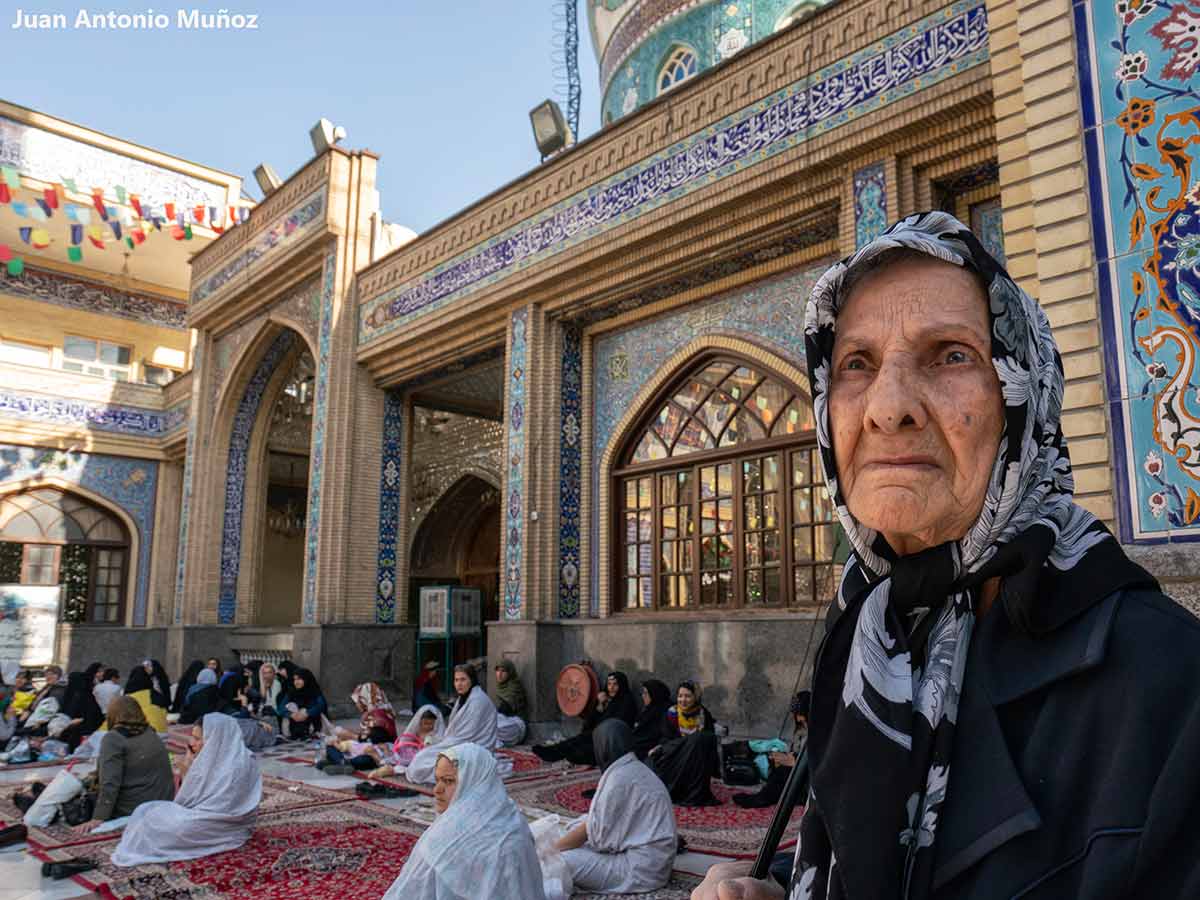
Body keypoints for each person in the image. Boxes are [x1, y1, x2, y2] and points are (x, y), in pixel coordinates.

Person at [691, 212, 1200, 900]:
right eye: (856, 365)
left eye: (951, 355)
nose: (888, 407)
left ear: (1023, 399)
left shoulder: (1168, 687)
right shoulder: (869, 629)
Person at [381, 742, 546, 900]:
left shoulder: (443, 841)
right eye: (437, 780)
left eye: (448, 781)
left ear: (475, 783)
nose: (436, 790)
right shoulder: (513, 820)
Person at [110, 712, 261, 866]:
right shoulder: (211, 756)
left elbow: (227, 808)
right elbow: (188, 799)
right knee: (144, 810)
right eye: (192, 736)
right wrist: (189, 765)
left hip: (225, 825)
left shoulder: (242, 763)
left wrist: (188, 770)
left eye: (197, 738)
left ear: (216, 739)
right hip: (201, 815)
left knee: (173, 826)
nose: (192, 742)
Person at [556, 720, 676, 893]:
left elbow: (598, 838)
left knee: (560, 861)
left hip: (639, 871)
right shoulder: (634, 769)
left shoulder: (619, 779)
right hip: (654, 864)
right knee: (576, 827)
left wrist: (552, 851)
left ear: (603, 748)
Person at [406, 664, 498, 784]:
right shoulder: (464, 697)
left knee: (423, 763)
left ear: (472, 680)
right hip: (460, 744)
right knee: (422, 757)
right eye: (456, 680)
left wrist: (443, 745)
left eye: (463, 680)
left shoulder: (478, 701)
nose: (459, 684)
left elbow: (467, 737)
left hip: (476, 750)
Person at [92, 696, 175, 822]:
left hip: (133, 808)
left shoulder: (113, 739)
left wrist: (98, 818)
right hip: (162, 803)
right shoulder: (150, 733)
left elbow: (110, 783)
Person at [533, 671, 639, 765]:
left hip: (610, 744)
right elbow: (589, 724)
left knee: (577, 751)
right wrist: (599, 707)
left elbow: (613, 725)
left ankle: (554, 753)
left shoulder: (626, 702)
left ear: (622, 685)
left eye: (615, 684)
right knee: (575, 743)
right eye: (609, 684)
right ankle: (552, 752)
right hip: (595, 737)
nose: (611, 688)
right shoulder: (607, 701)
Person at [734, 691, 809, 809]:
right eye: (796, 714)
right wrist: (786, 756)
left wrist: (794, 762)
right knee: (776, 763)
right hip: (801, 770)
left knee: (783, 771)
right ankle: (768, 795)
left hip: (809, 783)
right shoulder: (802, 729)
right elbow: (800, 751)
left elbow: (816, 762)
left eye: (801, 714)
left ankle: (762, 799)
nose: (799, 718)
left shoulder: (820, 733)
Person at [649, 681, 719, 806]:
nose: (683, 700)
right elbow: (665, 739)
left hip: (696, 760)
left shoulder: (703, 715)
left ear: (696, 697)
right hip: (674, 756)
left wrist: (693, 743)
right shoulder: (671, 714)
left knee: (700, 740)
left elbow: (709, 743)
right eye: (680, 696)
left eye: (688, 696)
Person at [365, 705, 446, 778]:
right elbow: (408, 739)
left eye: (431, 724)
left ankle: (388, 768)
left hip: (421, 753)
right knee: (397, 753)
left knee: (415, 763)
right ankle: (383, 762)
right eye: (426, 723)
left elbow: (433, 747)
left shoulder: (433, 734)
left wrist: (426, 745)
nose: (429, 726)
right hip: (412, 751)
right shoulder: (418, 730)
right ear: (420, 722)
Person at [56, 671, 105, 751]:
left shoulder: (82, 696)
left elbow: (90, 717)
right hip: (72, 731)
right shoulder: (81, 695)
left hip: (80, 733)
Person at [282, 668, 326, 740]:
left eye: (299, 679)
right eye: (294, 679)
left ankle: (311, 733)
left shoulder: (314, 691)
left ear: (306, 679)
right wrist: (291, 714)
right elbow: (281, 708)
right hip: (293, 722)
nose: (296, 682)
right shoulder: (291, 692)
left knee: (305, 709)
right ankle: (293, 733)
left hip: (310, 722)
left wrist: (307, 713)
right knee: (290, 705)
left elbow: (321, 705)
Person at [633, 679, 672, 761]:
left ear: (654, 694)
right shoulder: (649, 709)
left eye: (646, 693)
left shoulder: (665, 710)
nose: (643, 696)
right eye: (642, 693)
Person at [493, 659, 528, 746]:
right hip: (503, 722)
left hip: (516, 725)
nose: (499, 674)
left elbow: (504, 709)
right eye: (498, 670)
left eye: (503, 671)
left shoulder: (514, 688)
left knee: (490, 727)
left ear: (510, 672)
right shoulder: (500, 687)